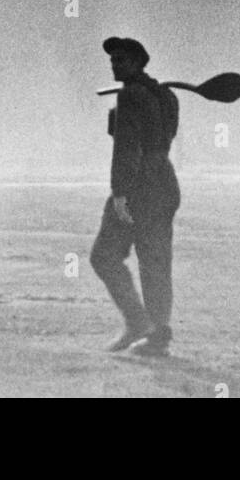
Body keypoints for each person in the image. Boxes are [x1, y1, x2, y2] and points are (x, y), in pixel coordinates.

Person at [89, 36, 180, 356]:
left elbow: (127, 146)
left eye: (122, 60)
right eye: (113, 60)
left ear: (138, 62)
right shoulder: (167, 96)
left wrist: (120, 194)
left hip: (139, 185)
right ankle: (158, 337)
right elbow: (161, 136)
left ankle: (139, 323)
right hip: (165, 183)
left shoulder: (131, 96)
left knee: (102, 256)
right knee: (156, 263)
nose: (115, 65)